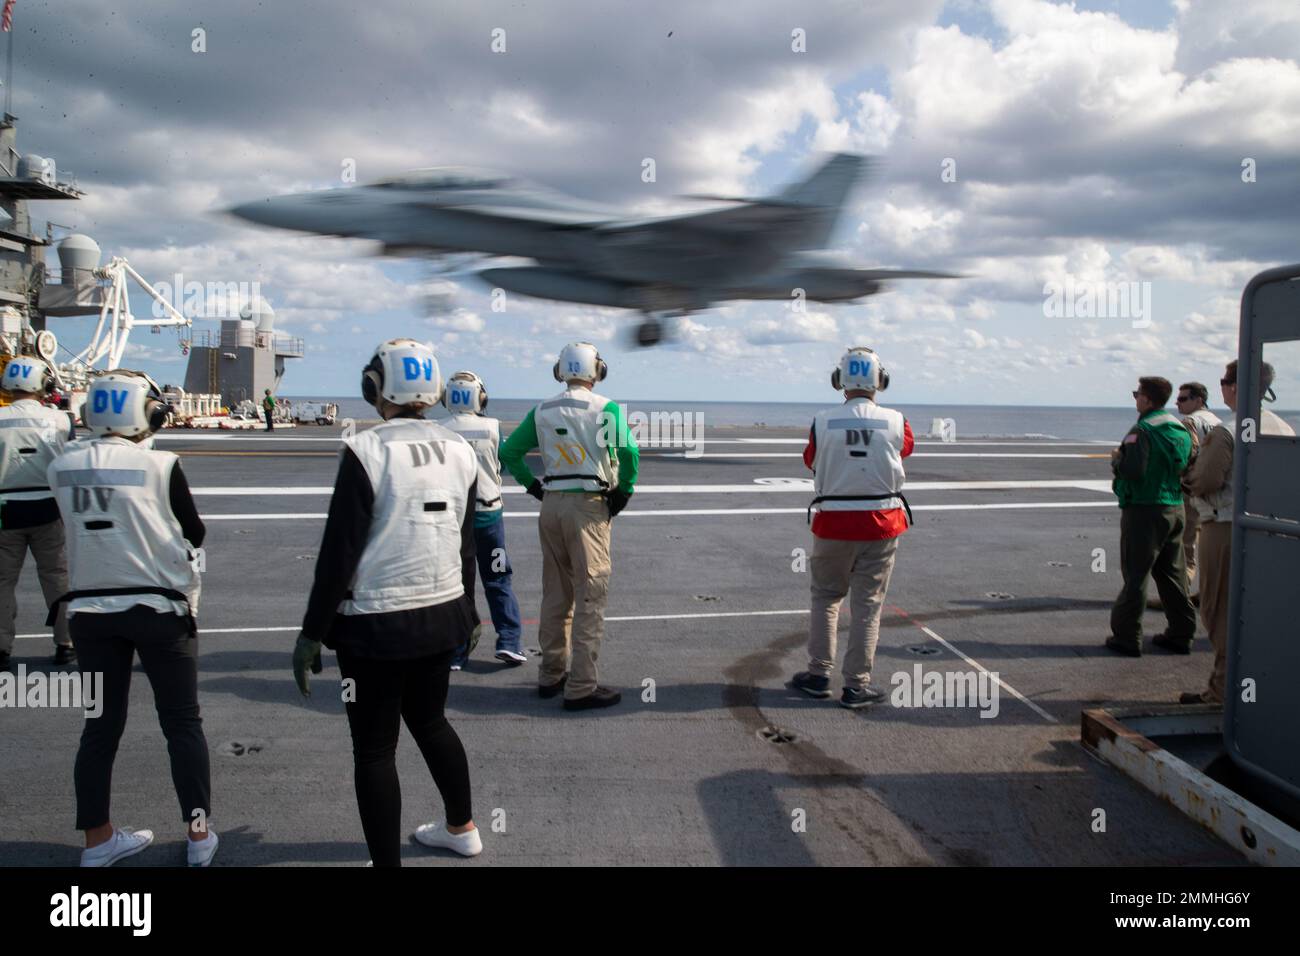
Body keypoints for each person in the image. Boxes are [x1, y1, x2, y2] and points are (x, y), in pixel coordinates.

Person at [293, 338, 482, 865]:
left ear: (375, 386)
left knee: (375, 750)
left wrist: (312, 632)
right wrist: (469, 611)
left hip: (374, 626)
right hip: (442, 614)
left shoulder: (365, 450)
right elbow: (464, 541)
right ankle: (462, 827)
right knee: (432, 721)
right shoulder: (460, 449)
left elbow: (338, 555)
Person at [47, 370, 216, 867]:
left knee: (99, 727)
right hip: (159, 609)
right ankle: (199, 835)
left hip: (90, 613)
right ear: (144, 411)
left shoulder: (62, 465)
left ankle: (97, 841)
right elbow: (196, 533)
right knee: (182, 724)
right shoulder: (160, 465)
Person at [499, 342, 638, 711]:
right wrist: (623, 492)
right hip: (588, 507)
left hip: (552, 506)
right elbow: (629, 453)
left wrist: (533, 486)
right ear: (598, 371)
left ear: (560, 371)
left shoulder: (541, 409)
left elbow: (509, 453)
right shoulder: (604, 408)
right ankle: (581, 686)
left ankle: (551, 675)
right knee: (590, 597)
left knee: (556, 594)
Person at [789, 346, 914, 708]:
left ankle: (817, 675)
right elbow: (904, 450)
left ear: (839, 381)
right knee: (868, 605)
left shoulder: (823, 419)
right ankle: (857, 685)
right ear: (881, 381)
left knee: (826, 598)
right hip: (882, 523)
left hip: (833, 523)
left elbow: (810, 459)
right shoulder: (896, 420)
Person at [1180, 360, 1295, 704]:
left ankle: (1221, 692)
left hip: (1224, 528)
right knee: (1257, 611)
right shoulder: (1282, 426)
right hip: (1268, 528)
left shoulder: (1227, 431)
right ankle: (1254, 688)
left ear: (1234, 386)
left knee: (1218, 610)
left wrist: (1188, 475)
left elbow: (1206, 480)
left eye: (1224, 381)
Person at [440, 370, 527, 668]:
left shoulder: (438, 429)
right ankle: (509, 641)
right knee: (498, 579)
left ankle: (456, 650)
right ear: (480, 397)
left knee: (457, 586)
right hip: (488, 516)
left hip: (452, 521)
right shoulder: (492, 427)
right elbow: (504, 460)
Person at [1105, 376, 1196, 657]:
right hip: (1175, 507)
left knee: (1136, 573)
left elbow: (1132, 470)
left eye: (1137, 394)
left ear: (1147, 399)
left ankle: (1127, 636)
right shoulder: (1178, 428)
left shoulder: (1142, 430)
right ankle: (1182, 633)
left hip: (1144, 509)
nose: (1135, 399)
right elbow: (1190, 461)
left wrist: (1117, 458)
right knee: (1172, 574)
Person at [0, 356, 77, 671]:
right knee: (56, 578)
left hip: (5, 509)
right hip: (48, 505)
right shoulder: (59, 419)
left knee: (3, 581)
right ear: (42, 383)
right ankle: (65, 643)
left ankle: (2, 648)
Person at [1174, 382, 1220, 602]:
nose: (1177, 402)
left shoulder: (1190, 422)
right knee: (1206, 546)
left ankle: (1178, 596)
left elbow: (1189, 454)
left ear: (1198, 400)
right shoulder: (1217, 422)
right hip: (1215, 493)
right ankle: (1203, 591)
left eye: (1183, 398)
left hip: (1192, 491)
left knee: (1185, 546)